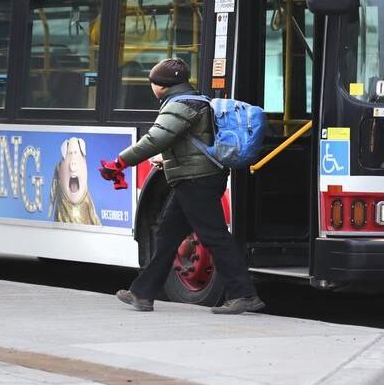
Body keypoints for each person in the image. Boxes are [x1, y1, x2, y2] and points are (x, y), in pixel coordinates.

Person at [99, 58, 265, 315]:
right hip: (195, 178)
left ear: (161, 85)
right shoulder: (195, 100)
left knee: (214, 236)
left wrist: (120, 162)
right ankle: (142, 293)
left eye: (152, 83)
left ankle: (243, 295)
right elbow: (183, 143)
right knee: (168, 235)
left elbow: (155, 139)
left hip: (196, 180)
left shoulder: (180, 105)